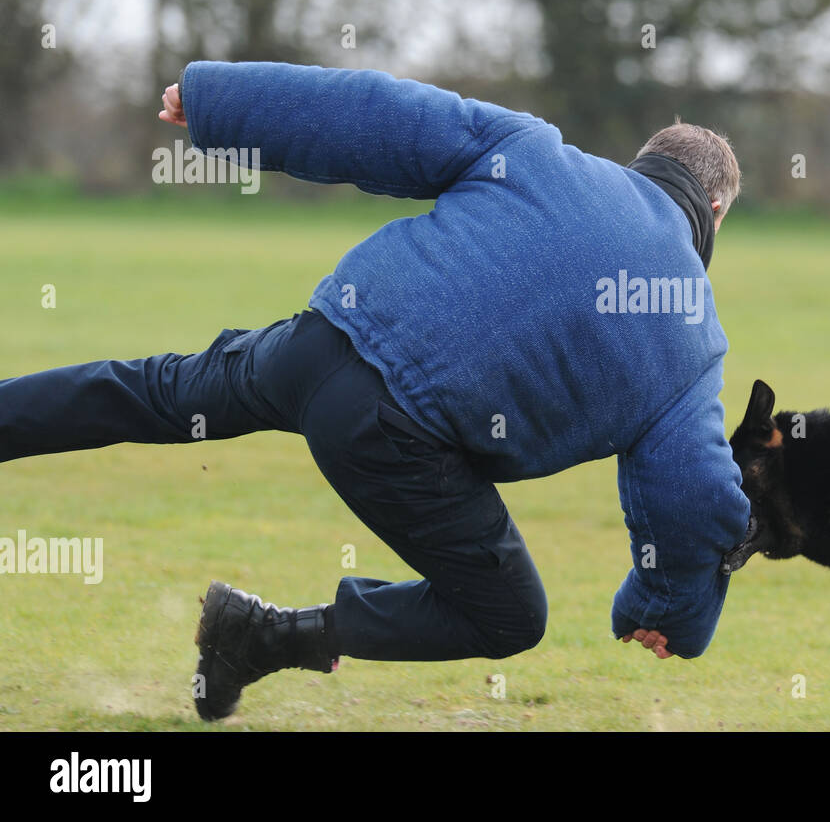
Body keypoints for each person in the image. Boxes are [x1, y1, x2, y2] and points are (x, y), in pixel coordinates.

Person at [0, 61, 751, 721]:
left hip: (321, 341)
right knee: (509, 616)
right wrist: (663, 612)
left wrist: (225, 106)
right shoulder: (690, 335)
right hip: (395, 434)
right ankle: (258, 635)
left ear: (643, 162)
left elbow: (373, 114)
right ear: (714, 212)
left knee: (153, 391)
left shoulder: (535, 150)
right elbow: (690, 496)